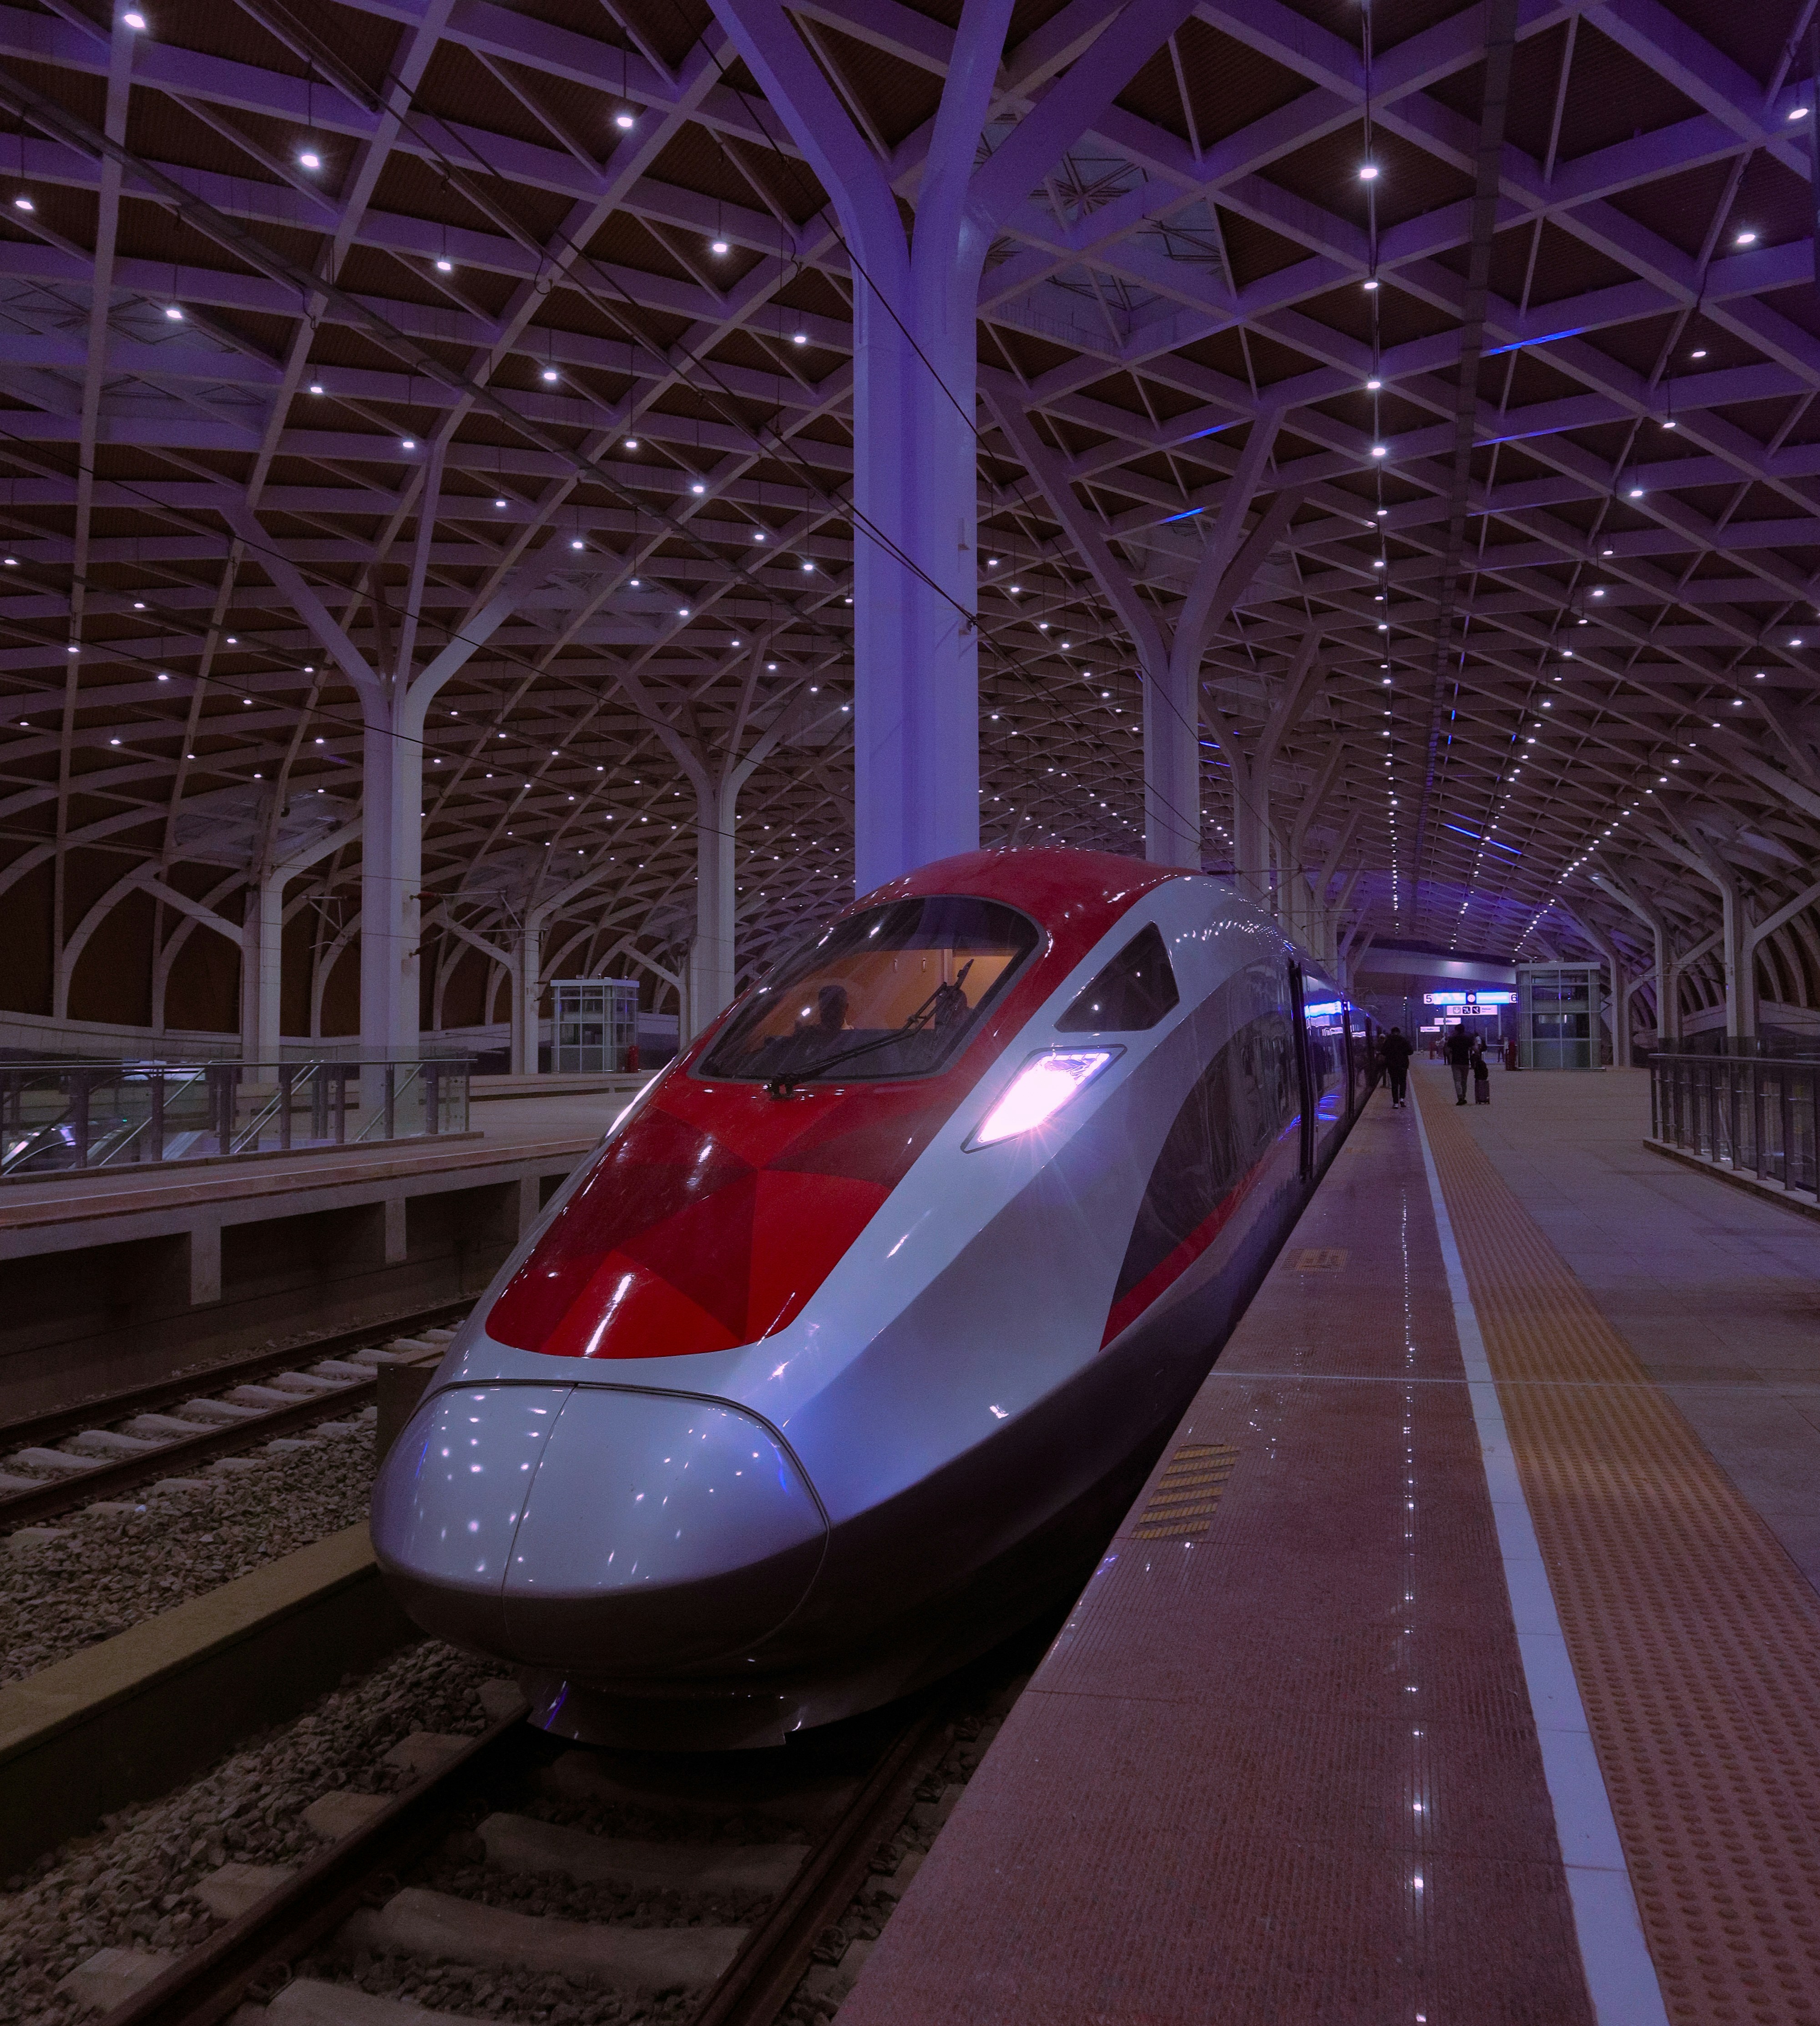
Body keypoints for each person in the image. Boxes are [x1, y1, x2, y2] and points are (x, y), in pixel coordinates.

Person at [1380, 1025, 1413, 1110]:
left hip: (1392, 1066)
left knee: (1394, 1084)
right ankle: (1402, 1100)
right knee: (1403, 1083)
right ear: (1399, 1032)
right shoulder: (1403, 1040)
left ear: (1392, 1033)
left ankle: (1396, 1103)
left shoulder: (1388, 1041)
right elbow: (1411, 1052)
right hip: (1403, 1066)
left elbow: (1383, 1052)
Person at [1444, 1022, 1473, 1104]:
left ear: (1456, 1031)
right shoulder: (1468, 1039)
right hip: (1466, 1062)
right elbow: (1474, 1049)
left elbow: (1447, 1051)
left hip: (1455, 1062)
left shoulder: (1452, 1039)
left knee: (1457, 1081)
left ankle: (1460, 1097)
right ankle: (1464, 1096)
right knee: (1464, 1081)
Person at [1471, 1034, 1491, 1105]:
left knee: (1476, 1062)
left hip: (1477, 1053)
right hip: (1484, 1077)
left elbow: (1479, 1045)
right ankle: (1485, 1098)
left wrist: (1478, 1052)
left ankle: (1480, 1098)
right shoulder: (1478, 1039)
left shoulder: (1478, 1039)